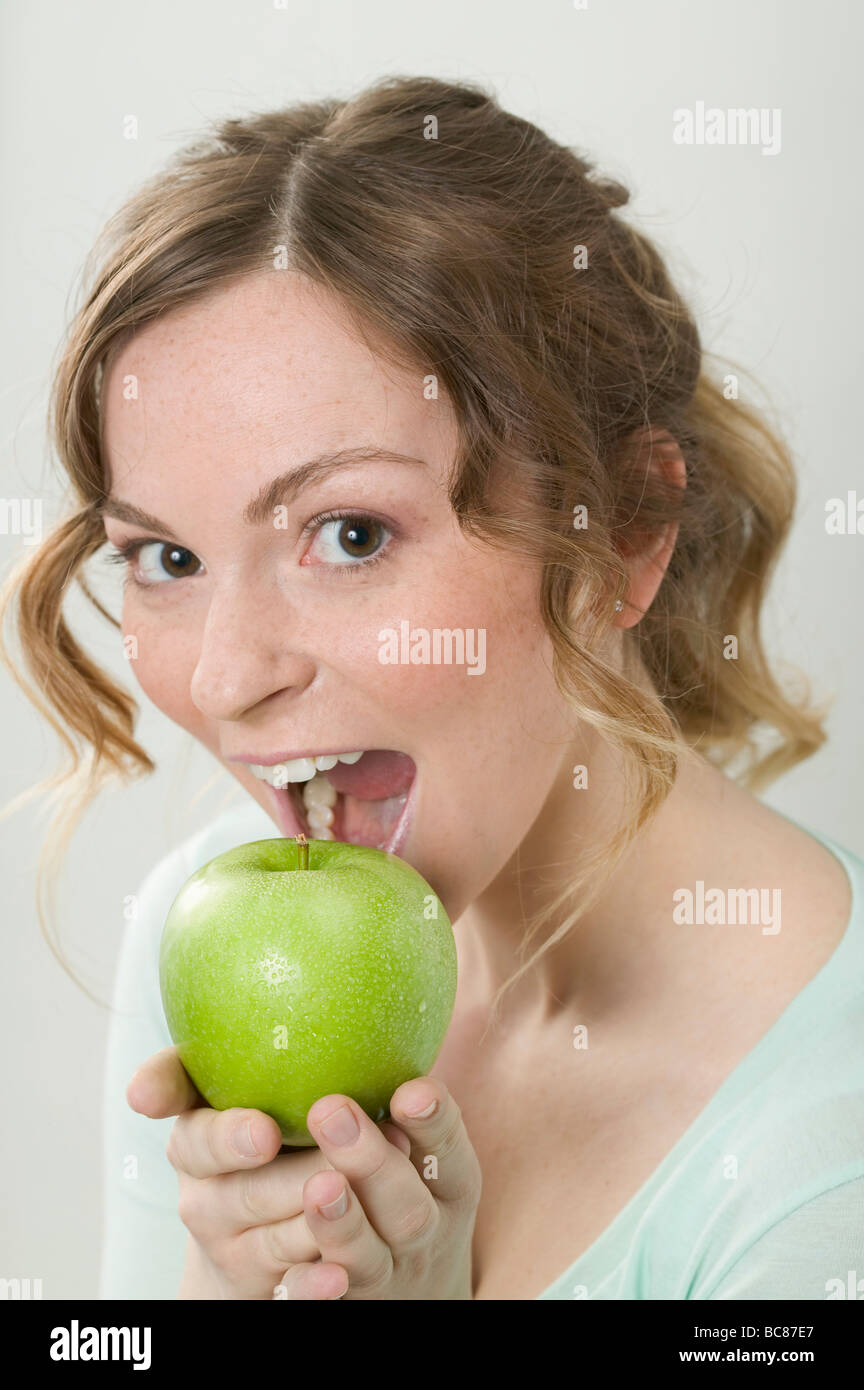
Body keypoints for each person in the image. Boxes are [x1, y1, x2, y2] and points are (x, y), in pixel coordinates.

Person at [2, 75, 862, 1301]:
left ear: (627, 528)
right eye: (168, 559)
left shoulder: (823, 1175)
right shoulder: (191, 946)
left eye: (349, 534)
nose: (225, 675)